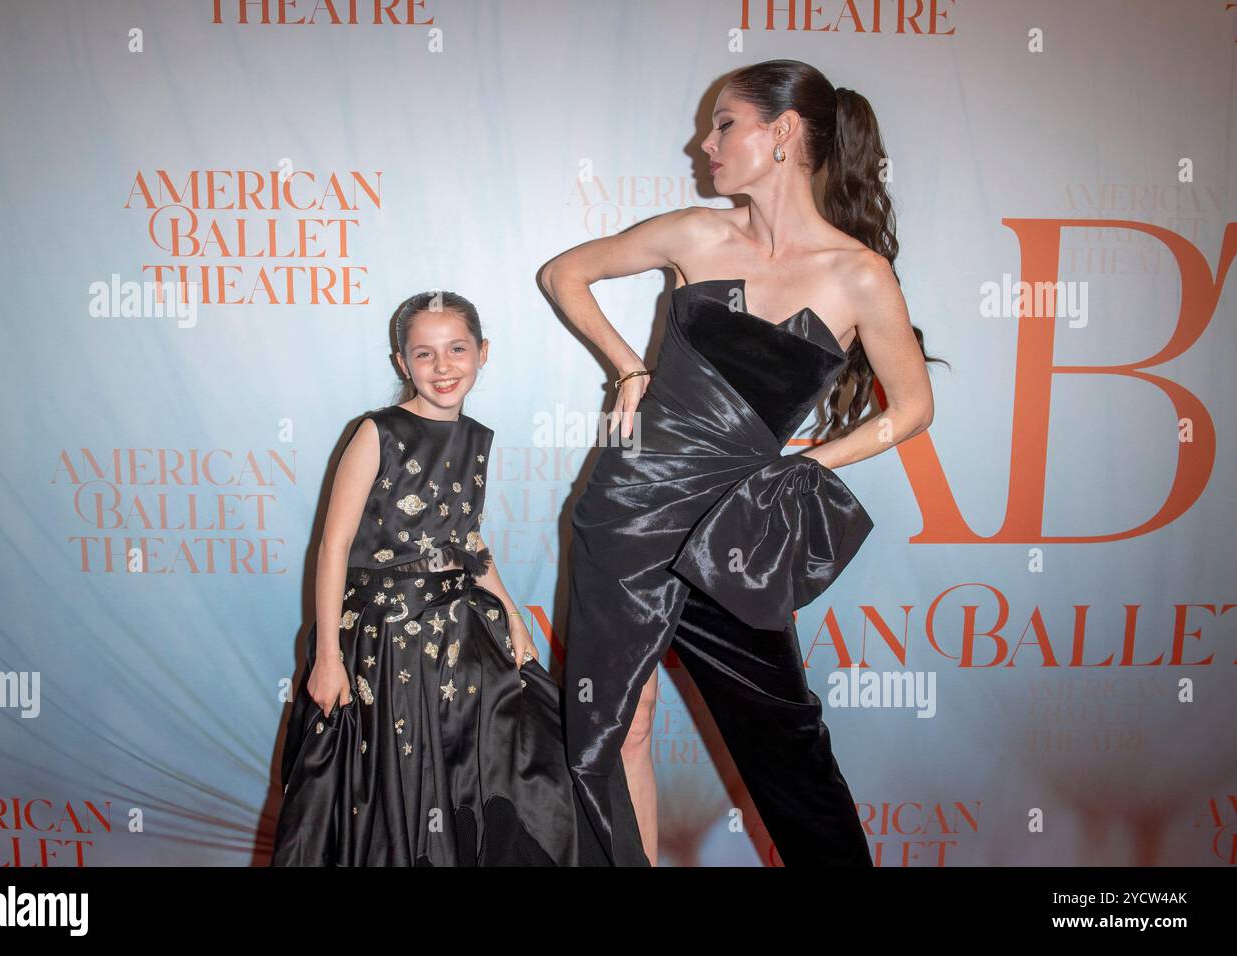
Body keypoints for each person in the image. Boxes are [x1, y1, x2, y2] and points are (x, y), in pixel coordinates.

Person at [542, 60, 941, 866]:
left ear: (783, 132)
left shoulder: (858, 274)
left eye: (725, 123)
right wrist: (629, 368)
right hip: (627, 508)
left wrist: (799, 469)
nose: (706, 141)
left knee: (782, 733)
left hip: (737, 527)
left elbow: (913, 407)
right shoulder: (696, 232)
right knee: (613, 727)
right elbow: (564, 273)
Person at [270, 291, 581, 866]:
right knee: (395, 788)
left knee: (515, 761)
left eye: (457, 349)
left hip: (458, 630)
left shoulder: (477, 439)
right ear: (401, 363)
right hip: (382, 642)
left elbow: (468, 541)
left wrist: (513, 616)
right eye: (425, 354)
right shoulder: (376, 432)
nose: (443, 367)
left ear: (483, 353)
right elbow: (333, 544)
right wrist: (329, 658)